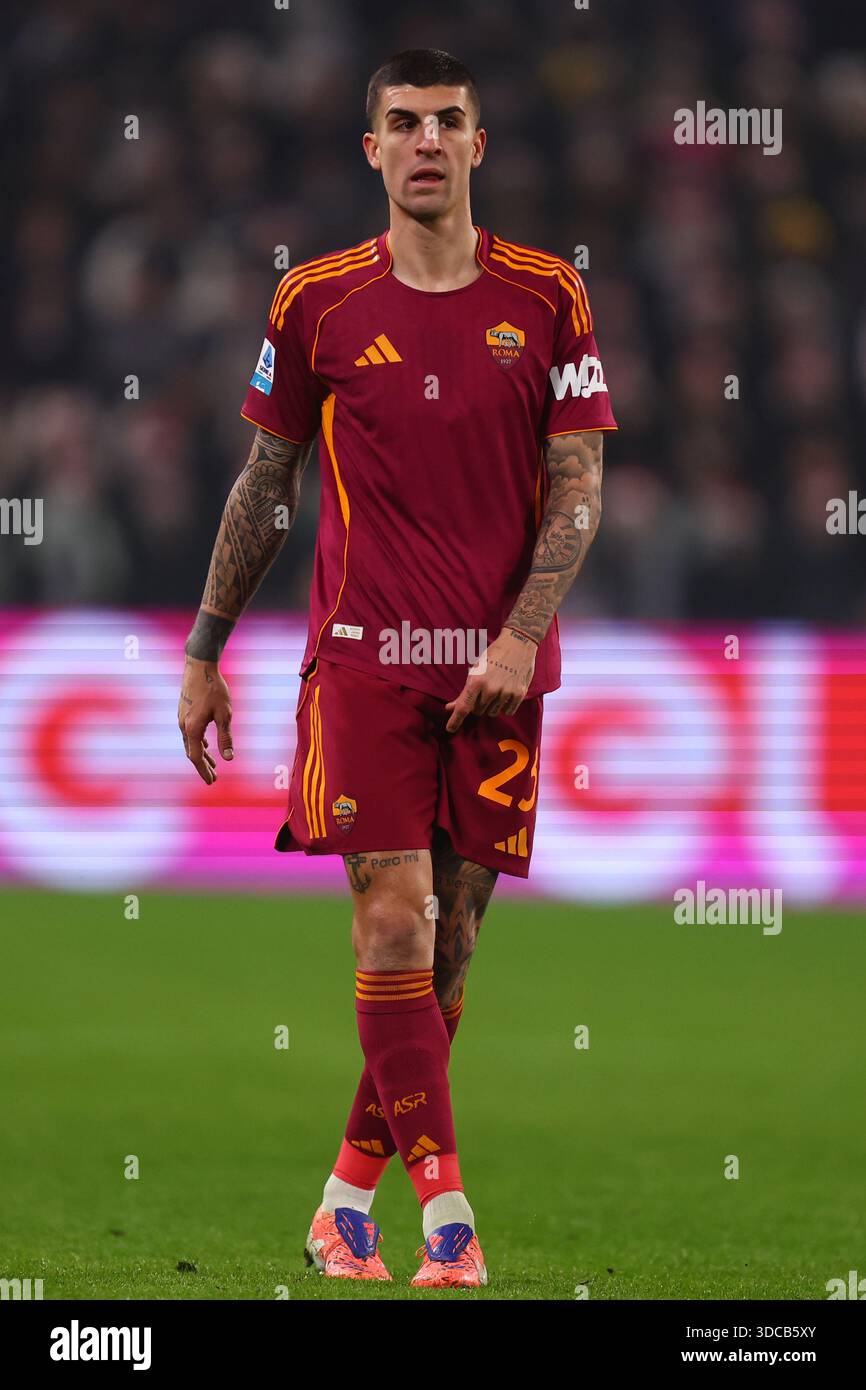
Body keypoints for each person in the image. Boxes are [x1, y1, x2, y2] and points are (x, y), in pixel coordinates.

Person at [179, 47, 616, 1289]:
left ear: (478, 145)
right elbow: (266, 485)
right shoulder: (313, 302)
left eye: (448, 121)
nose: (426, 140)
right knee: (391, 916)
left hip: (496, 671)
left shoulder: (548, 298)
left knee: (454, 938)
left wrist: (521, 638)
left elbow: (578, 489)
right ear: (370, 150)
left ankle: (339, 1203)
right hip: (362, 662)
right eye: (402, 123)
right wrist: (206, 648)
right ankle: (449, 1220)